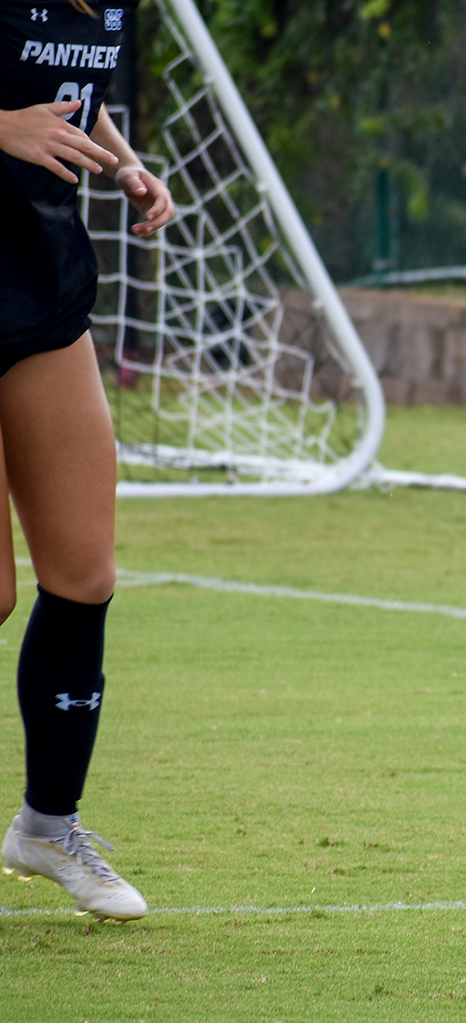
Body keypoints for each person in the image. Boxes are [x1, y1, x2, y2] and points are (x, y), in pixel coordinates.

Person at [0, 0, 173, 921]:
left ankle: (46, 825)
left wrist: (123, 159)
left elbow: (69, 96)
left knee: (83, 573)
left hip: (41, 290)